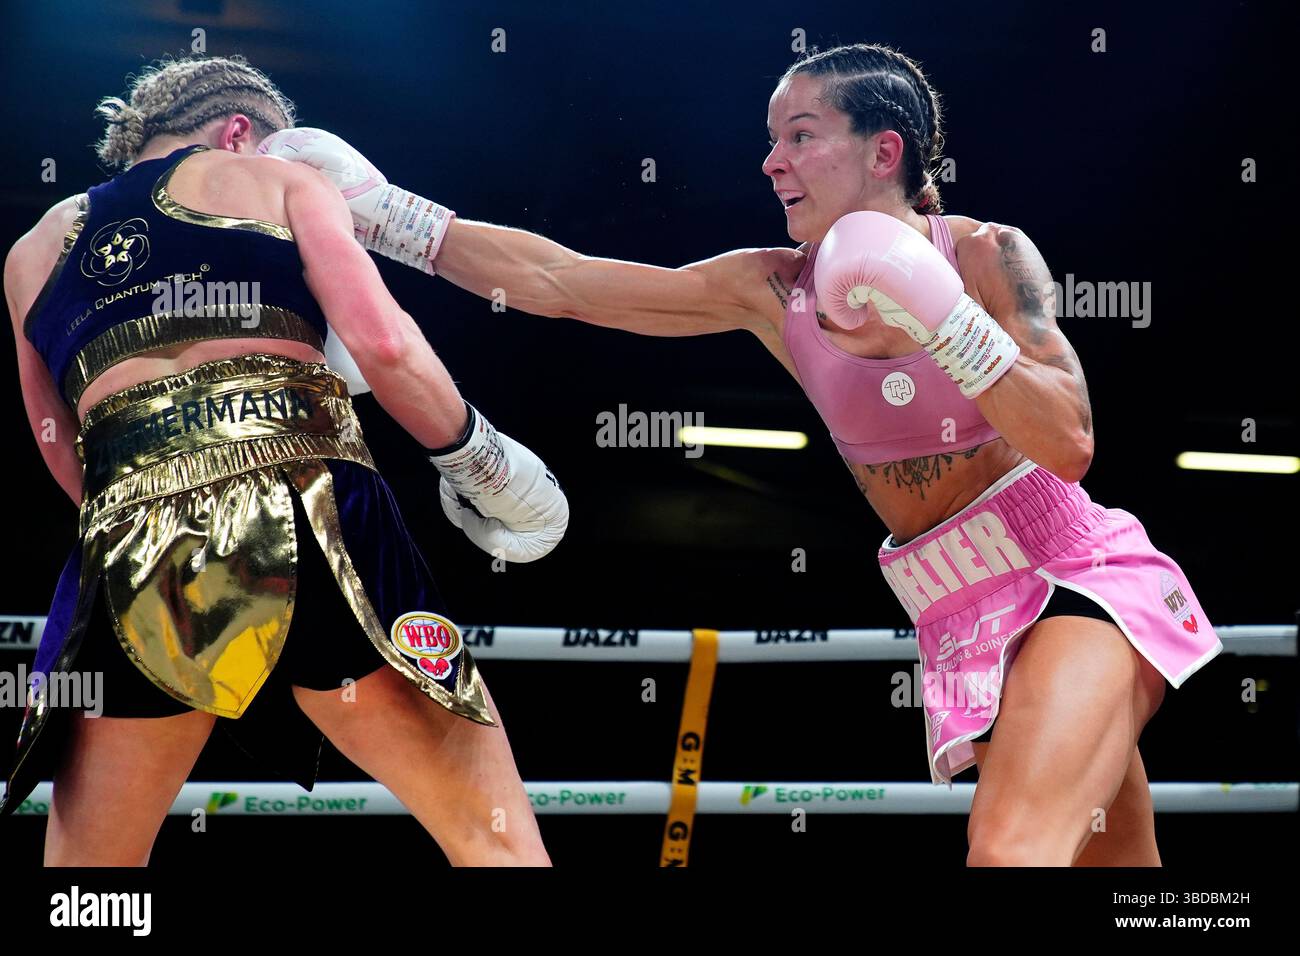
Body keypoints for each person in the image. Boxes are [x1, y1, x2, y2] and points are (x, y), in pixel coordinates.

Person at [268, 43, 1222, 866]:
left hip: (1069, 580)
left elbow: (1070, 442)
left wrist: (944, 319)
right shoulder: (775, 290)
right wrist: (388, 215)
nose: (771, 162)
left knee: (1012, 851)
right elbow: (560, 281)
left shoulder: (982, 255)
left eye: (801, 134)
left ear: (883, 149)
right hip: (955, 603)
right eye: (772, 139)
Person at [0, 54, 564, 866]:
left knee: (89, 878)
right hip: (309, 497)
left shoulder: (30, 252)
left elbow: (59, 444)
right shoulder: (277, 182)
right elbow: (384, 345)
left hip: (129, 538)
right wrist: (478, 458)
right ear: (241, 134)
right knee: (491, 839)